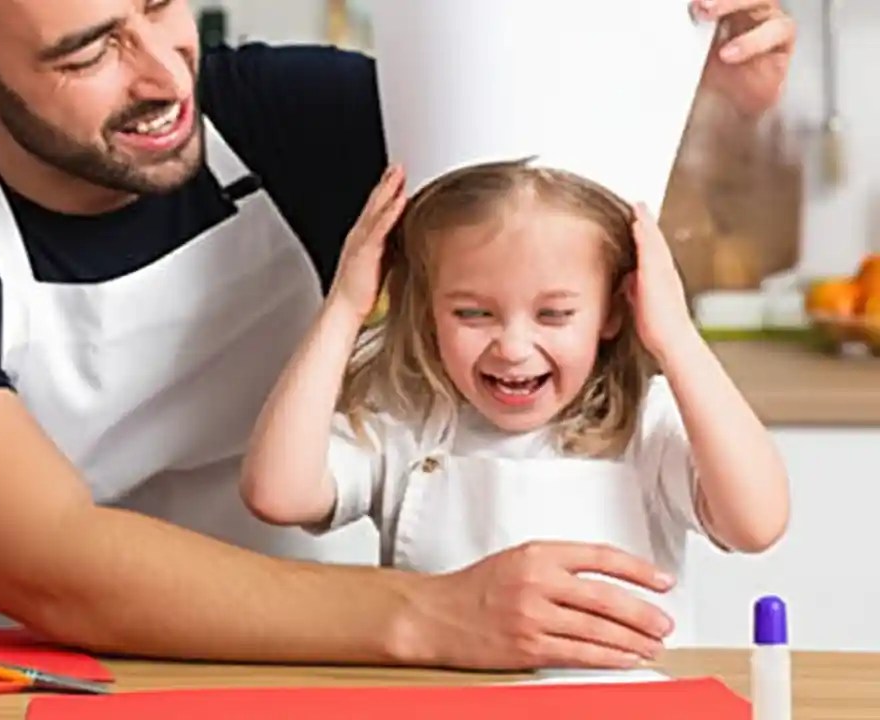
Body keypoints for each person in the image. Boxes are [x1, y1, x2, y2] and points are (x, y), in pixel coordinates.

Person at [0, 0, 796, 670]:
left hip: (318, 663)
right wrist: (434, 615)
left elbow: (568, 229)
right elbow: (56, 566)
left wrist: (705, 92)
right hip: (42, 683)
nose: (163, 74)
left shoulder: (289, 112)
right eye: (90, 47)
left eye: (161, 6)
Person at [239, 159, 791, 648]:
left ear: (616, 312)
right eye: (473, 313)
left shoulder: (646, 424)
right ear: (427, 309)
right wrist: (345, 304)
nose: (513, 347)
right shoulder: (407, 419)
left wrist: (676, 336)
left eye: (554, 315)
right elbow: (277, 494)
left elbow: (756, 523)